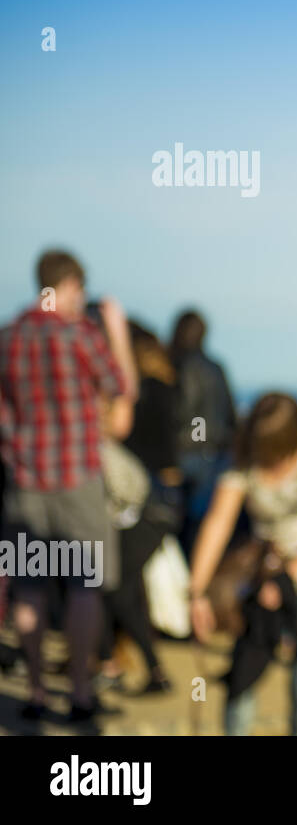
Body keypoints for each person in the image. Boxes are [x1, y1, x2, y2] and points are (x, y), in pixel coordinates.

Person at [0, 249, 136, 723]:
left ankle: (36, 692)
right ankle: (80, 692)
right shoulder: (79, 334)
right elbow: (121, 388)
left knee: (30, 590)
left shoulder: (9, 337)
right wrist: (117, 331)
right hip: (77, 477)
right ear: (70, 285)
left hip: (24, 482)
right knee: (84, 586)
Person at [188, 392, 297, 735]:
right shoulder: (243, 461)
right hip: (263, 574)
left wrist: (285, 579)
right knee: (243, 673)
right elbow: (218, 523)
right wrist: (197, 592)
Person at [98, 320, 183, 694]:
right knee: (121, 586)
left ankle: (123, 664)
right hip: (160, 499)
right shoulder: (168, 389)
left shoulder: (129, 397)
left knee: (112, 584)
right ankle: (121, 662)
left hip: (140, 504)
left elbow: (120, 428)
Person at [170, 309, 238, 555]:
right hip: (216, 452)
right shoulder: (216, 367)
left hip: (188, 452)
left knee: (184, 521)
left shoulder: (182, 366)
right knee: (208, 516)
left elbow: (183, 410)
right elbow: (231, 412)